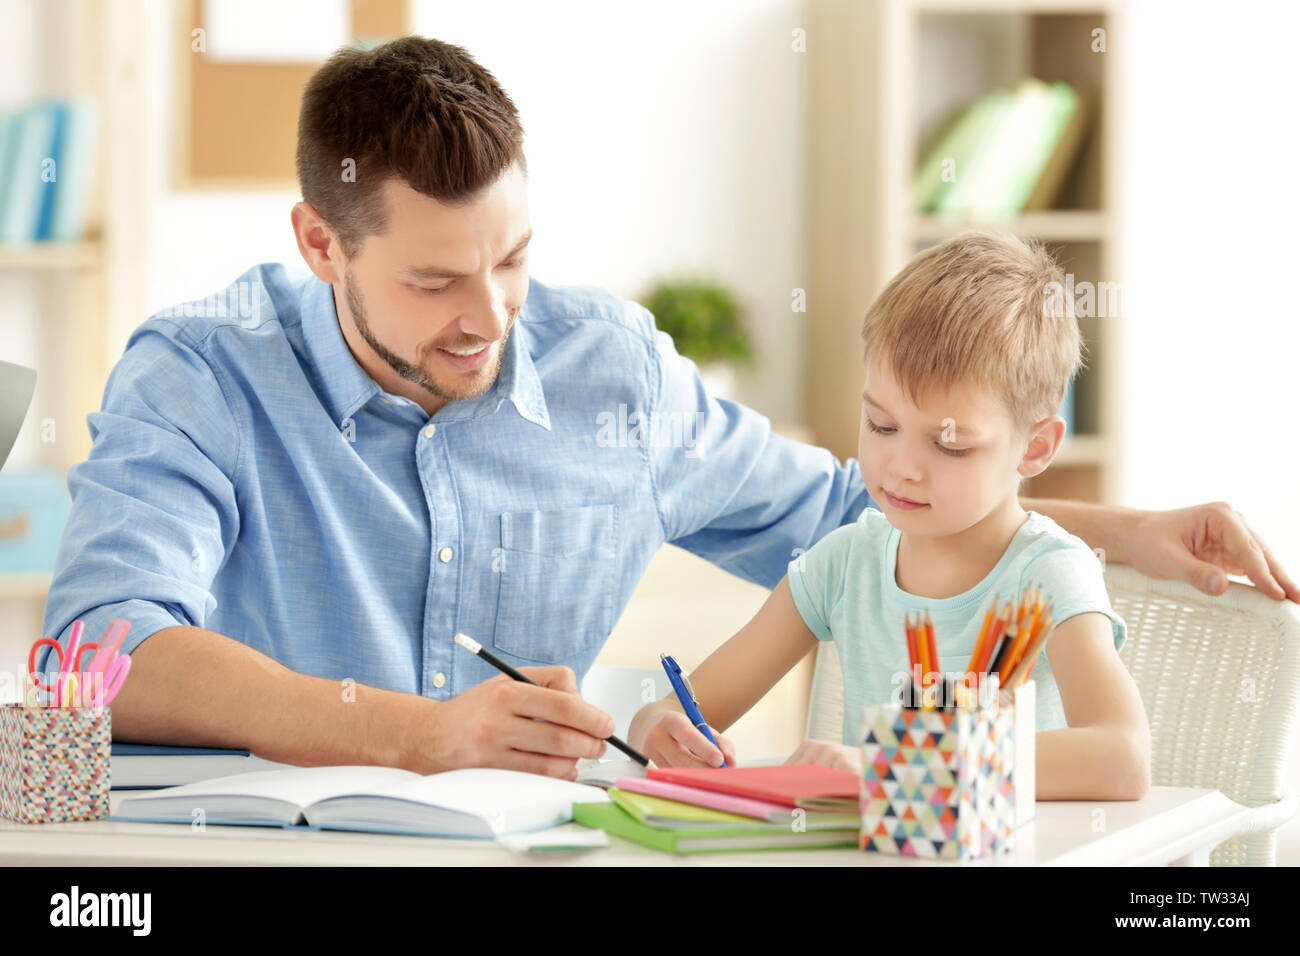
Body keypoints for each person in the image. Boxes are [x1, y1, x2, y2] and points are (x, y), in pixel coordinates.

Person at [40, 37, 1297, 783]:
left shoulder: (612, 374)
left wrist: (1124, 532)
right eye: (432, 280)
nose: (490, 314)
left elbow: (853, 509)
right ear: (320, 241)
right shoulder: (201, 375)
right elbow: (94, 653)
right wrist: (415, 730)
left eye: (513, 258)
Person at [628, 233, 1152, 800]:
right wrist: (656, 725)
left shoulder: (1050, 574)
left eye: (949, 445)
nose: (902, 468)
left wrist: (895, 762)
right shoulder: (842, 562)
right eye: (881, 426)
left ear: (1035, 447)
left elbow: (1121, 758)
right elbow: (687, 708)